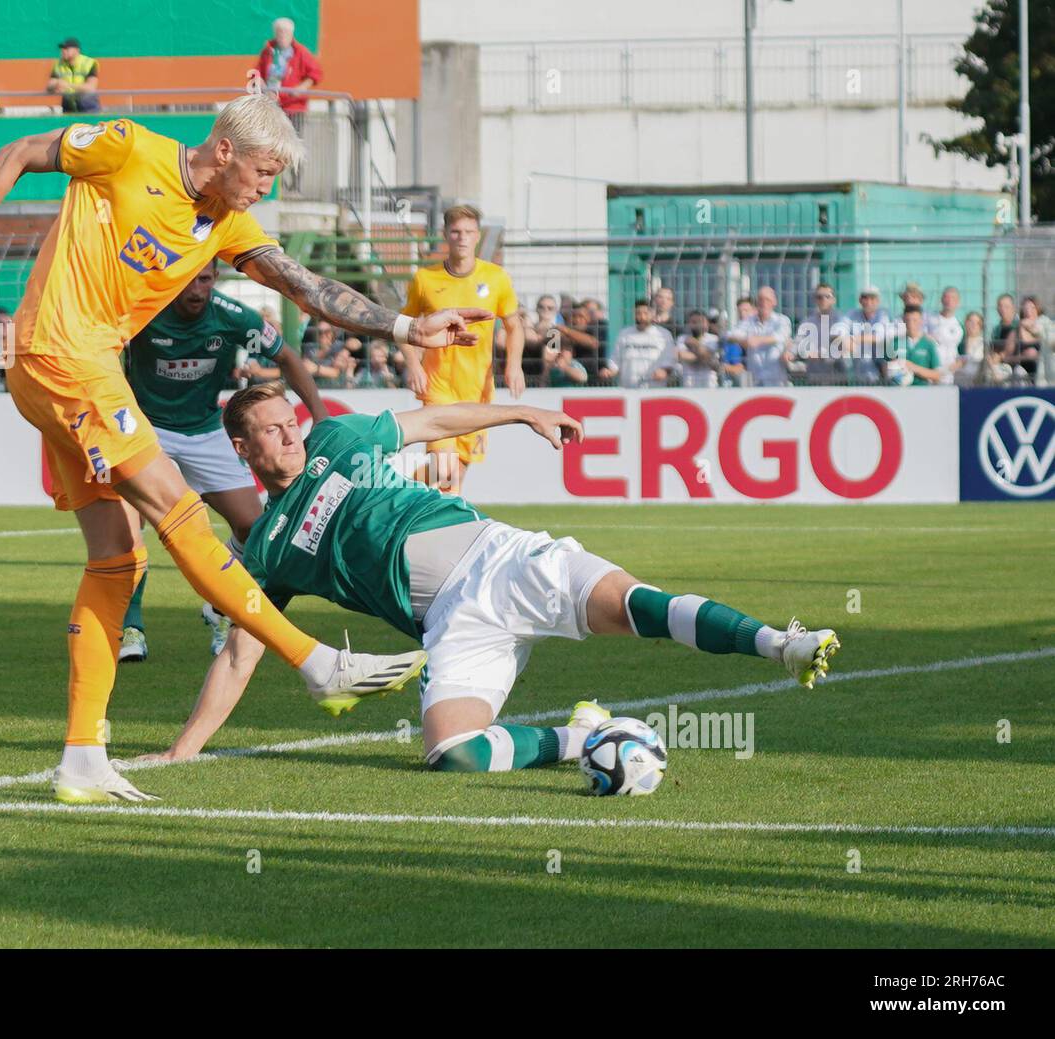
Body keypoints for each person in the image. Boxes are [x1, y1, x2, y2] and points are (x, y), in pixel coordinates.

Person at [0, 94, 489, 804]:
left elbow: (302, 284)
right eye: (262, 170)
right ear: (224, 150)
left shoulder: (226, 224)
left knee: (117, 557)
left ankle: (80, 755)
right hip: (62, 357)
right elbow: (21, 152)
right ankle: (313, 660)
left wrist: (407, 330)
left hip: (76, 369)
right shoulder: (129, 148)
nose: (266, 186)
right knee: (177, 507)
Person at [141, 385, 841, 772]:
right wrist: (184, 748)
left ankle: (782, 644)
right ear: (243, 448)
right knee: (452, 754)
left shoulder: (337, 437)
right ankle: (587, 737)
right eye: (269, 429)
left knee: (633, 604)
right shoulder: (266, 548)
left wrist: (522, 410)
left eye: (288, 421)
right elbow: (242, 649)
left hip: (501, 560)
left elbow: (437, 417)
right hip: (452, 624)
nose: (288, 434)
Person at [117, 259, 328, 664]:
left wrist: (318, 415)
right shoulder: (143, 308)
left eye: (206, 279)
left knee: (255, 530)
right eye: (189, 280)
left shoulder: (231, 316)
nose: (197, 290)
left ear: (215, 279)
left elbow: (285, 356)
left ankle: (219, 607)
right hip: (144, 430)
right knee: (128, 535)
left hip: (206, 431)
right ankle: (132, 627)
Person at [400, 204, 522, 495]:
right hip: (438, 385)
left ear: (477, 236)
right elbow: (403, 327)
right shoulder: (425, 279)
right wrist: (414, 365)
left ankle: (403, 494)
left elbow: (515, 326)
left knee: (456, 475)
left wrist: (514, 365)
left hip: (478, 389)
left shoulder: (496, 278)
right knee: (445, 470)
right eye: (455, 232)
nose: (462, 238)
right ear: (445, 235)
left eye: (468, 232)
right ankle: (415, 508)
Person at [255, 18, 322, 126]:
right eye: (279, 32)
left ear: (291, 34)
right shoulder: (268, 50)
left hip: (293, 107)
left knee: (292, 139)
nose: (282, 35)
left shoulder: (300, 52)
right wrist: (265, 90)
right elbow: (257, 73)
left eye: (285, 32)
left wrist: (301, 88)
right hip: (271, 105)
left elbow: (316, 73)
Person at [724, 286, 791, 387]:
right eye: (761, 299)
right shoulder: (749, 321)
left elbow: (781, 336)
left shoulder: (781, 320)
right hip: (756, 380)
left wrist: (759, 340)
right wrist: (744, 341)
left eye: (767, 300)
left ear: (774, 302)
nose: (764, 303)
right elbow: (730, 335)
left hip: (777, 380)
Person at [793, 283, 850, 385]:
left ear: (833, 300)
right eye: (819, 297)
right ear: (815, 300)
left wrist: (819, 353)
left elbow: (839, 346)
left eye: (827, 297)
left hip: (837, 377)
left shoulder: (841, 320)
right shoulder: (807, 322)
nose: (823, 300)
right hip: (814, 377)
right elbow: (798, 344)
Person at [613, 299, 675, 388]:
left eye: (646, 313)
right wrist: (610, 371)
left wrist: (664, 371)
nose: (642, 317)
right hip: (628, 390)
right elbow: (615, 360)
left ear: (653, 314)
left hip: (654, 389)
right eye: (638, 313)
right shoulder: (624, 334)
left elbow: (670, 359)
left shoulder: (663, 334)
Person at [846, 287, 895, 384]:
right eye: (865, 298)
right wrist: (845, 341)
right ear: (860, 300)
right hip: (858, 373)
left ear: (878, 301)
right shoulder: (852, 314)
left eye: (872, 298)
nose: (868, 302)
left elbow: (879, 337)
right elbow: (840, 331)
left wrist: (853, 339)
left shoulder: (883, 315)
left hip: (879, 374)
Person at [47, 37, 100, 114]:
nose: (63, 51)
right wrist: (56, 84)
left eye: (66, 48)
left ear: (77, 50)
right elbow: (49, 86)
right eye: (62, 49)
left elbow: (91, 87)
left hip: (88, 107)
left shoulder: (90, 63)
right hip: (68, 108)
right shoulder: (58, 64)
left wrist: (67, 85)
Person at [897, 305, 944, 385]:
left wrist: (913, 367)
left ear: (921, 321)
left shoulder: (929, 343)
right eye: (907, 320)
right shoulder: (895, 342)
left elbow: (937, 375)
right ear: (903, 320)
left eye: (914, 320)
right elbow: (886, 370)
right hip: (898, 391)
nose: (910, 324)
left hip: (923, 392)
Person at [676, 309, 720, 389]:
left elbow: (714, 364)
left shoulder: (713, 339)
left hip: (710, 385)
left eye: (701, 321)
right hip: (688, 385)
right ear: (689, 324)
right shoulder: (682, 338)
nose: (698, 325)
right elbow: (682, 355)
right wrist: (703, 355)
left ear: (707, 324)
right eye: (694, 322)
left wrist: (695, 344)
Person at [927, 287, 963, 384]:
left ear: (958, 302)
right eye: (947, 297)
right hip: (931, 372)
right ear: (941, 300)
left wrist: (954, 366)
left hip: (949, 375)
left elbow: (963, 354)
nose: (949, 301)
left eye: (953, 298)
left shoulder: (959, 326)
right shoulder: (929, 320)